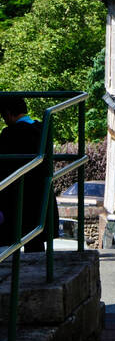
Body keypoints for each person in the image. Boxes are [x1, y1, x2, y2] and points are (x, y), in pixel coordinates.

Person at [0, 93, 57, 253]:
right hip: (40, 196)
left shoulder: (9, 134)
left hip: (16, 196)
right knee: (35, 242)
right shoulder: (42, 129)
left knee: (9, 244)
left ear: (8, 114)